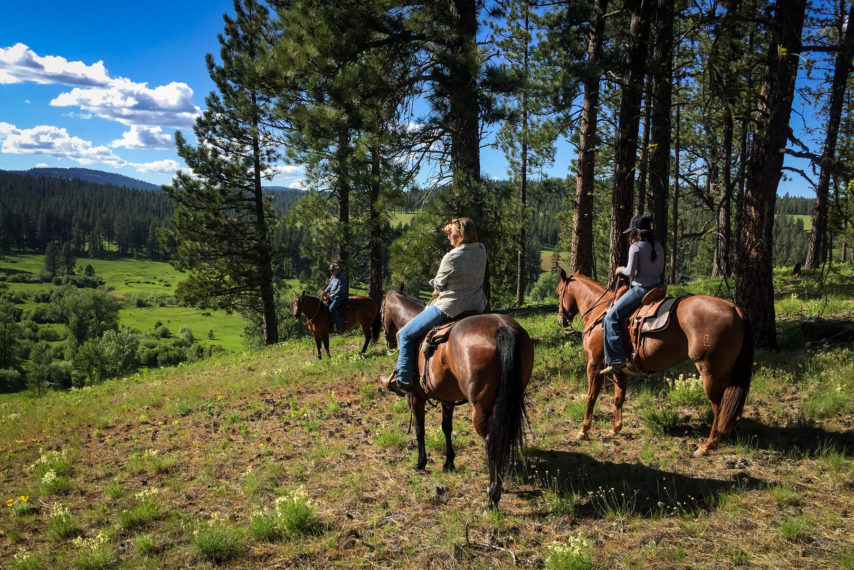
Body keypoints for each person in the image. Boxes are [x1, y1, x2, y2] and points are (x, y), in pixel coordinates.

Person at [384, 217, 488, 396]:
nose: (449, 237)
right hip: (477, 305)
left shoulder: (451, 257)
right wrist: (452, 227)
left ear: (460, 234)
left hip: (450, 307)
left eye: (452, 234)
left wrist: (436, 285)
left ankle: (404, 380)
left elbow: (439, 284)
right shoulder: (481, 249)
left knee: (406, 334)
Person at [600, 215, 665, 375]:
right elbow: (661, 270)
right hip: (658, 288)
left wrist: (619, 269)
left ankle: (616, 360)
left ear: (636, 232)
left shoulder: (635, 247)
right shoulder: (658, 246)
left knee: (611, 318)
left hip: (640, 290)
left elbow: (629, 272)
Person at [322, 263, 348, 333]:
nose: (331, 272)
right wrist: (325, 291)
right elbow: (330, 286)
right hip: (333, 295)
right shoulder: (332, 277)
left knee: (332, 308)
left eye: (333, 270)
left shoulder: (342, 278)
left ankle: (339, 326)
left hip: (340, 296)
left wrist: (331, 296)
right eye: (331, 270)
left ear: (337, 270)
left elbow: (340, 290)